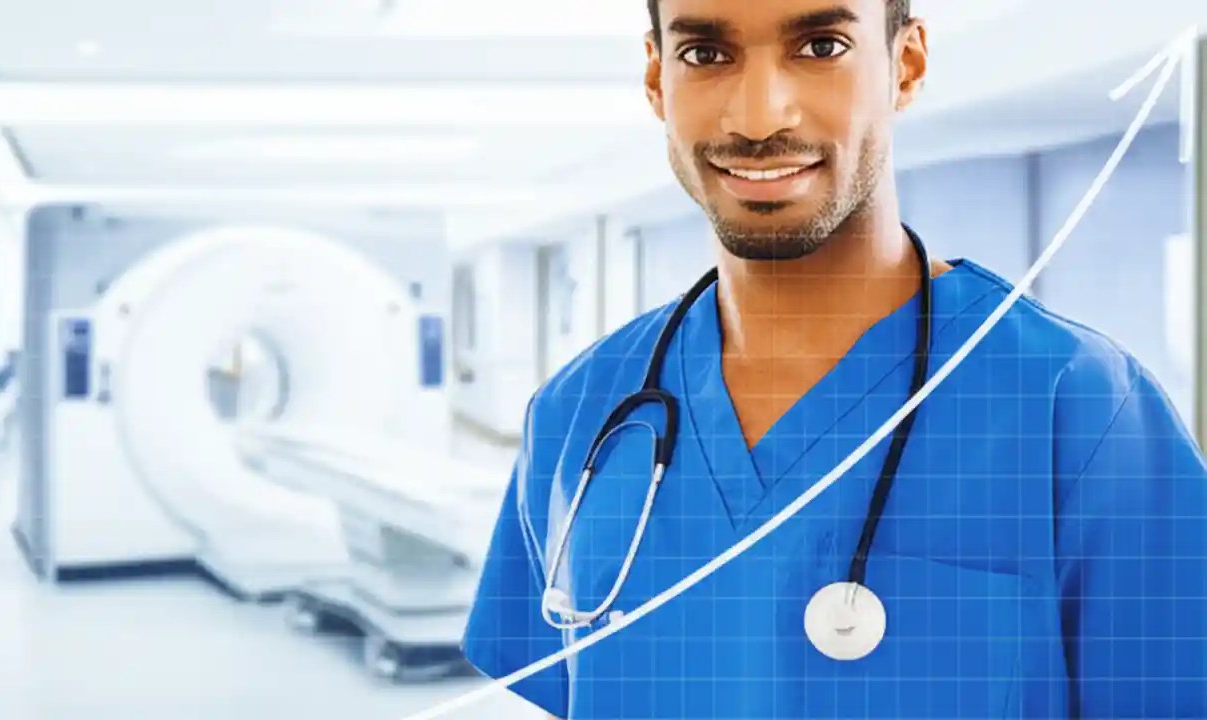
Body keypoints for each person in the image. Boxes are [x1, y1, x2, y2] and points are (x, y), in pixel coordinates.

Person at [460, 0, 1207, 717]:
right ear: (657, 78)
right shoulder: (579, 411)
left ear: (905, 64)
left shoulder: (1076, 410)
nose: (759, 117)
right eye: (706, 53)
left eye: (821, 47)